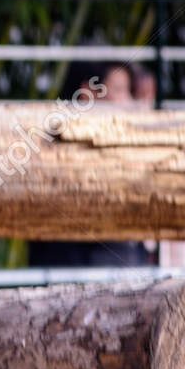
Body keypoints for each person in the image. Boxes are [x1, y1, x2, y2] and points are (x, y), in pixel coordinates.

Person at [28, 60, 157, 269]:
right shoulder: (52, 148)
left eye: (128, 92)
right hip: (75, 266)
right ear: (87, 93)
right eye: (118, 90)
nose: (128, 102)